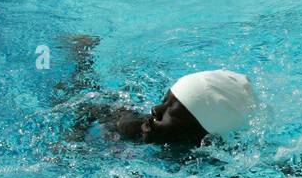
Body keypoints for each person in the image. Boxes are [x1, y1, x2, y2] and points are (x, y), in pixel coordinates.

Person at [56, 36, 256, 147]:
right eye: (164, 100)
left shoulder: (215, 166)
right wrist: (74, 141)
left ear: (201, 134)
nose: (155, 109)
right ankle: (83, 56)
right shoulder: (135, 125)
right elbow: (87, 106)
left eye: (172, 111)